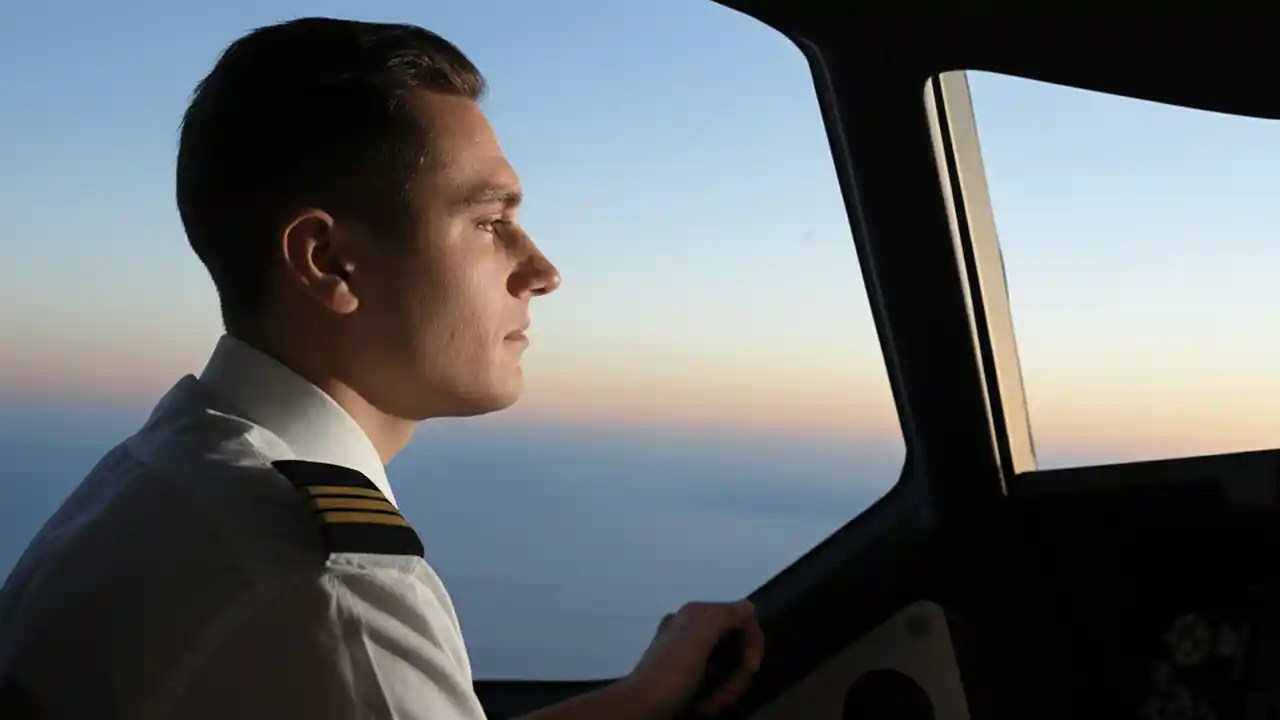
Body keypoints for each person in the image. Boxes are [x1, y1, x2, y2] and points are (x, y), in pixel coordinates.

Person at [0, 17, 765, 720]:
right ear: (329, 262)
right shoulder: (330, 592)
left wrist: (635, 701)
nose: (542, 270)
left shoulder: (170, 467)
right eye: (491, 222)